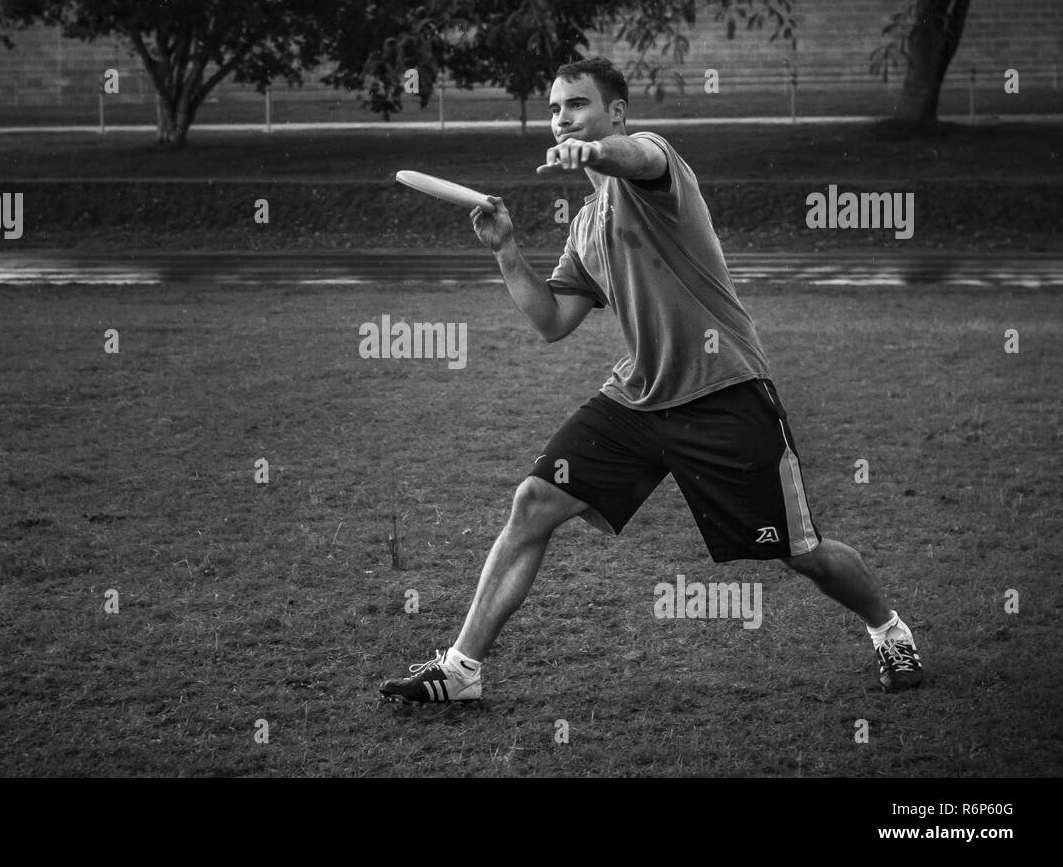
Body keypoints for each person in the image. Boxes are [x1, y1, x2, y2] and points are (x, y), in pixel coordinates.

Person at [378, 56, 923, 704]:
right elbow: (552, 321)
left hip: (724, 392)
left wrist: (595, 148)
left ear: (616, 111)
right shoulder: (584, 227)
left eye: (577, 105)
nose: (562, 119)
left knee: (800, 552)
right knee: (532, 505)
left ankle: (888, 629)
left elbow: (631, 157)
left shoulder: (655, 167)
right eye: (554, 109)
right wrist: (504, 250)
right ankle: (462, 670)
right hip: (636, 399)